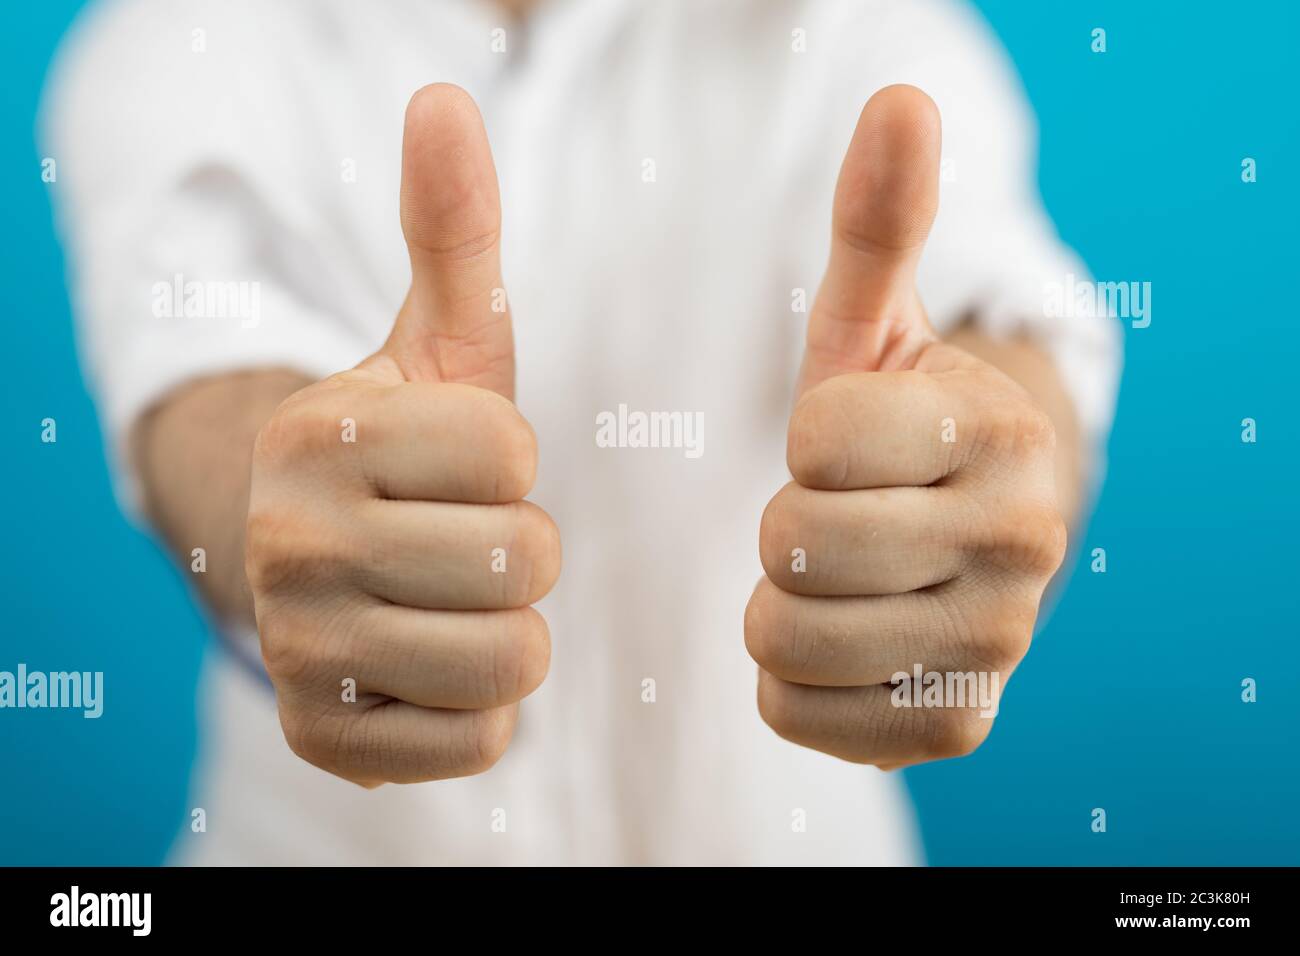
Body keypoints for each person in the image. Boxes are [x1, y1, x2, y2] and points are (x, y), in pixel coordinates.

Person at [43, 0, 1120, 865]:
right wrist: (277, 504)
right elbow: (196, 384)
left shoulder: (863, 30)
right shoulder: (174, 40)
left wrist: (983, 466)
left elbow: (1000, 322)